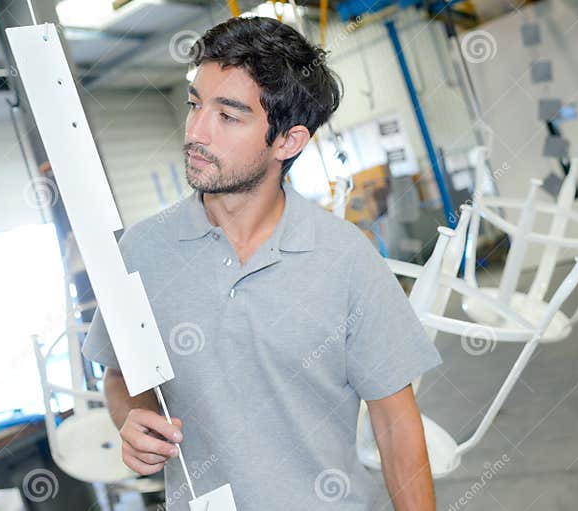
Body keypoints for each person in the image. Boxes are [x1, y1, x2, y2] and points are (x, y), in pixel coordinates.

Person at [82, 15, 442, 511]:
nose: (196, 132)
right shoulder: (142, 252)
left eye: (228, 116)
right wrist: (131, 416)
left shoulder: (346, 258)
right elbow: (122, 376)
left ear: (288, 141)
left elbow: (396, 424)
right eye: (194, 105)